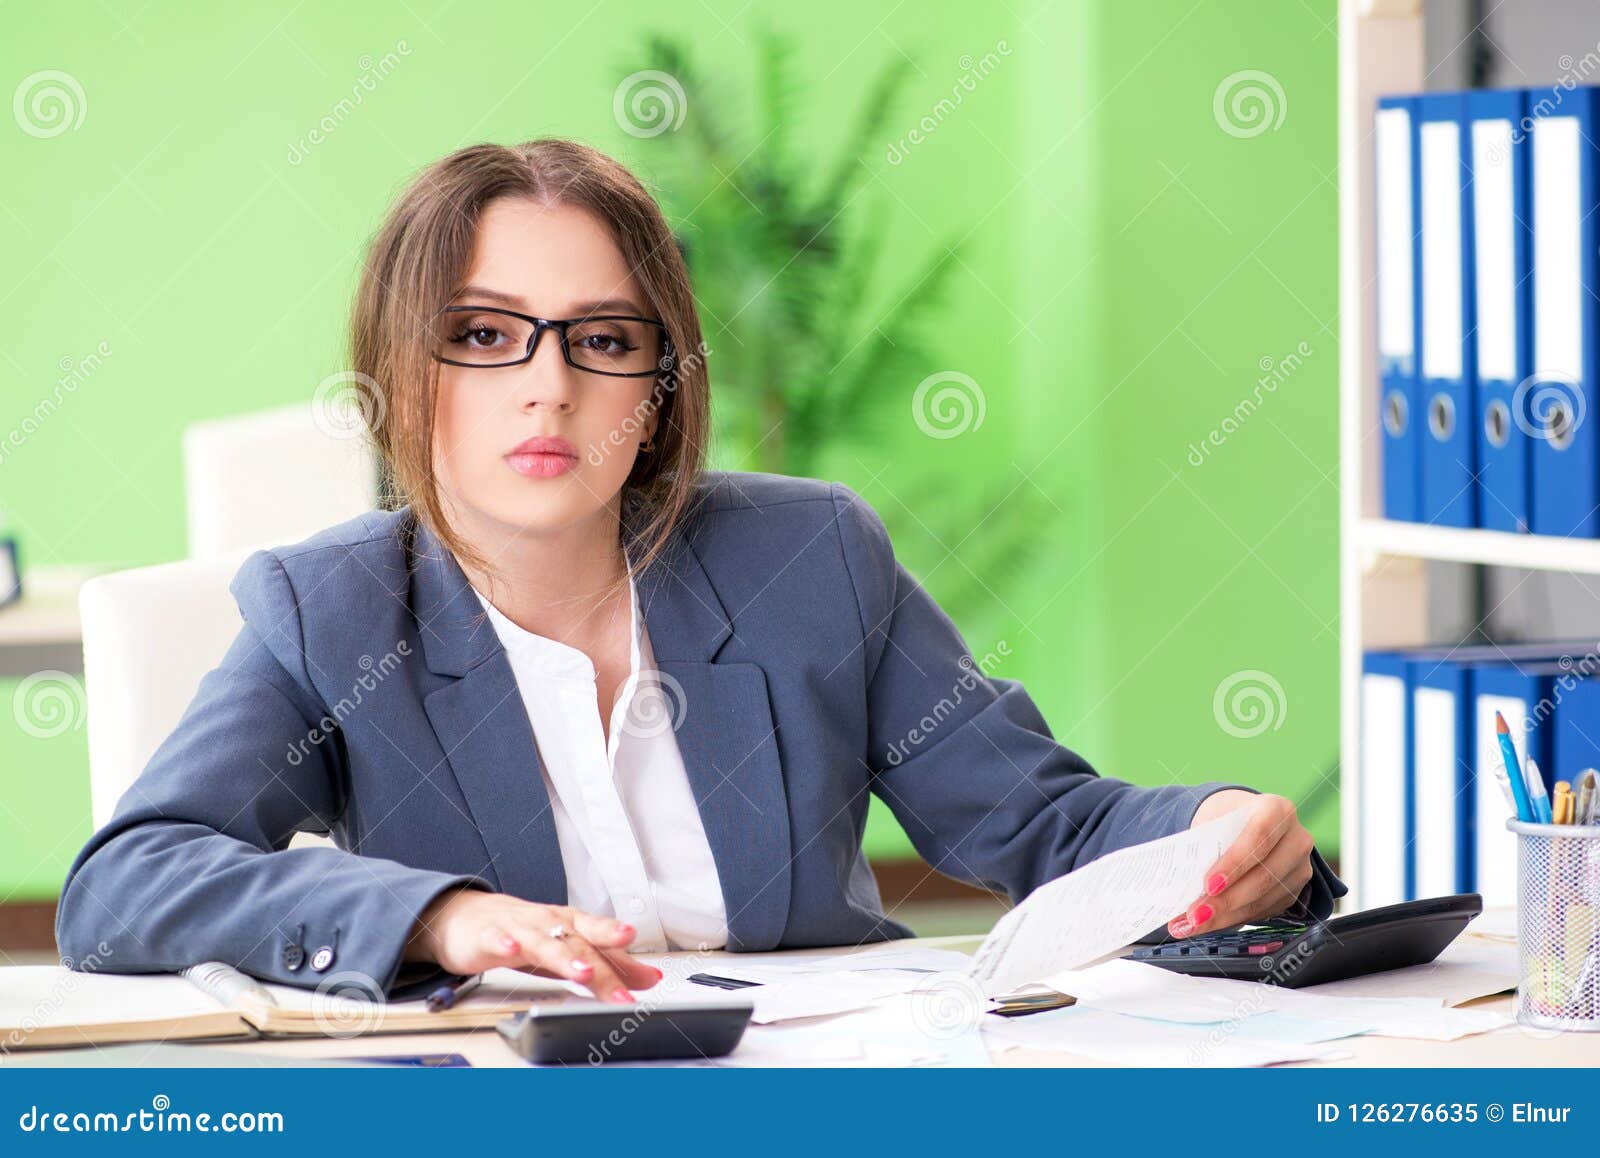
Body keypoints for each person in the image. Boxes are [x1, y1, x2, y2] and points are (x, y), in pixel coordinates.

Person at [56, 139, 1342, 1004]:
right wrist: (435, 918)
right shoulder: (329, 608)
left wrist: (1213, 830)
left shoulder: (807, 556)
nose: (547, 386)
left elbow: (1043, 826)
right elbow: (124, 886)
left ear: (659, 386)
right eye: (485, 336)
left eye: (603, 338)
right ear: (403, 368)